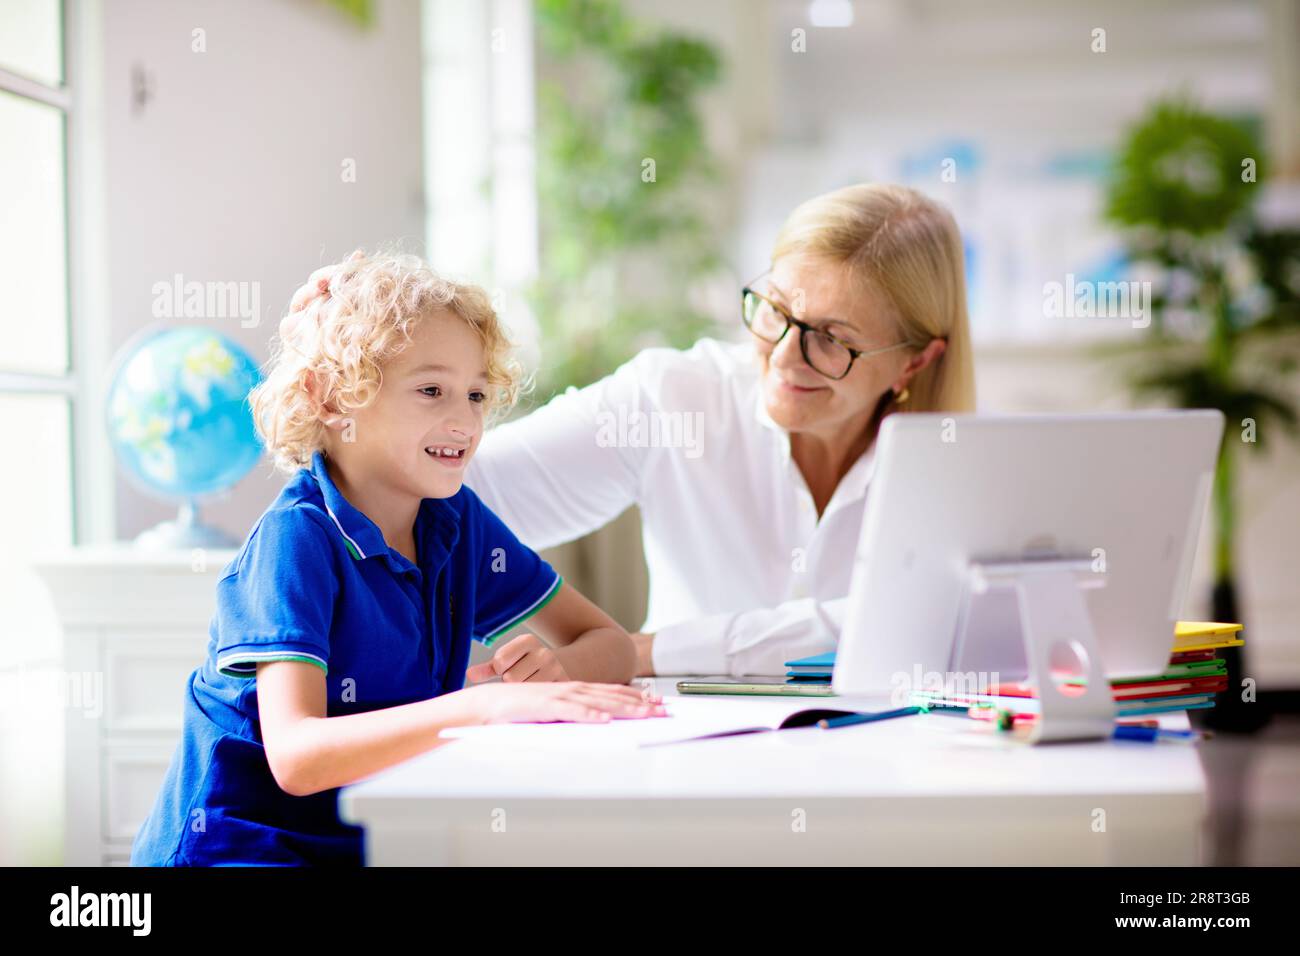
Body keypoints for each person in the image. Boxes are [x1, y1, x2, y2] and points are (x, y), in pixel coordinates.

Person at [130, 252, 662, 867]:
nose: (463, 420)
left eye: (476, 394)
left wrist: (546, 682)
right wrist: (482, 705)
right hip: (239, 850)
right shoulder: (297, 540)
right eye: (432, 390)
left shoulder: (456, 522)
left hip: (375, 836)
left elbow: (609, 642)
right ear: (331, 399)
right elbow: (298, 757)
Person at [466, 183, 976, 677]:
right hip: (679, 741)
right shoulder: (674, 397)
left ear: (915, 363)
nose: (783, 357)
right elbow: (469, 492)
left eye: (831, 339)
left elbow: (910, 625)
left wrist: (653, 651)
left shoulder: (962, 463)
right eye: (776, 310)